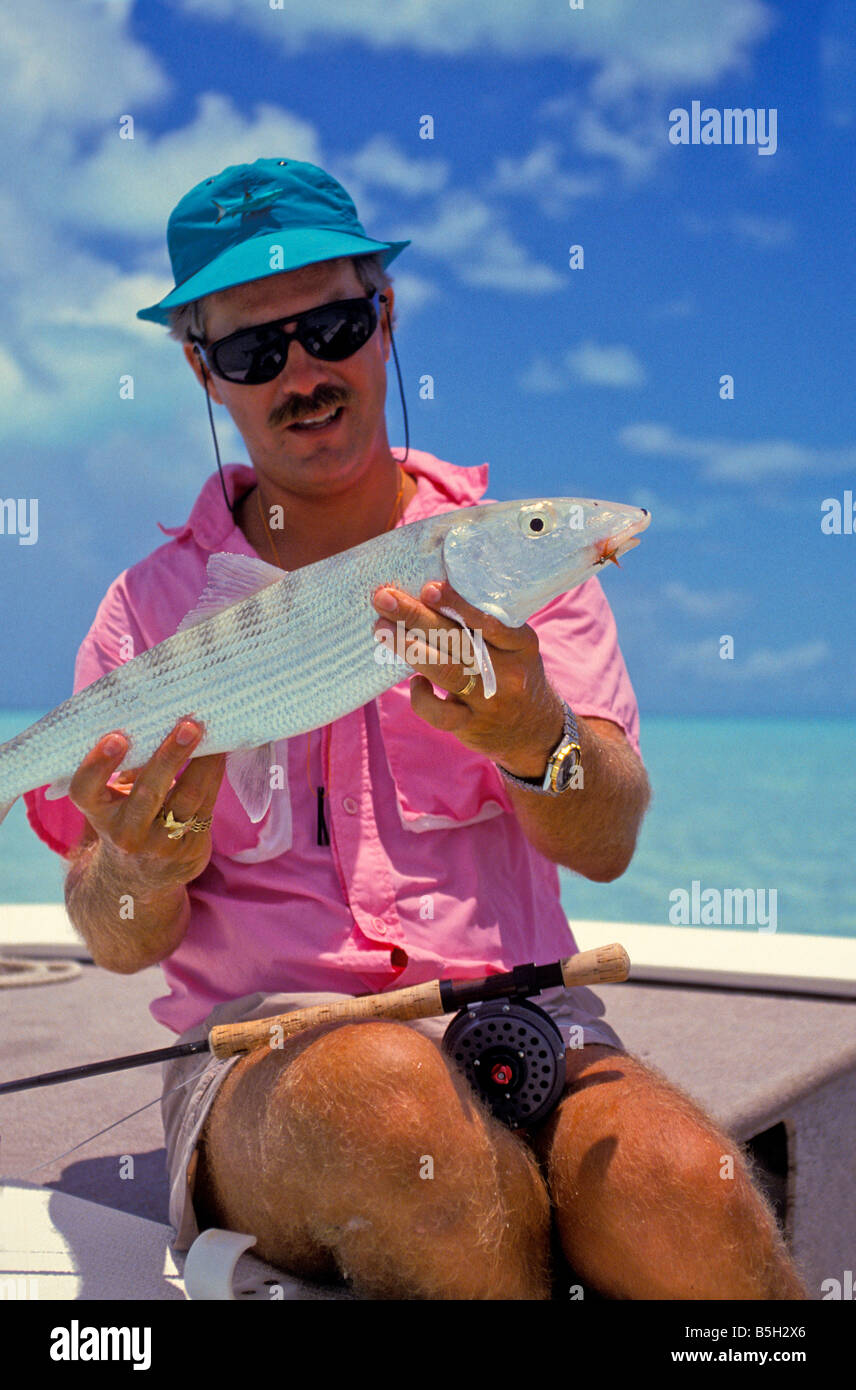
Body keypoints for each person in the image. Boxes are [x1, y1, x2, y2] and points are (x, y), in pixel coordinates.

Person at [25, 158, 806, 1300]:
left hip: (527, 1013)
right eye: (253, 350)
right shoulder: (145, 615)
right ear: (201, 367)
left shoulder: (512, 565)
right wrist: (143, 865)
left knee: (690, 1183)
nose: (303, 371)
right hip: (264, 1065)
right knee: (397, 1112)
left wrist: (537, 734)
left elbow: (606, 837)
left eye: (332, 323)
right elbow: (117, 931)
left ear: (384, 316)